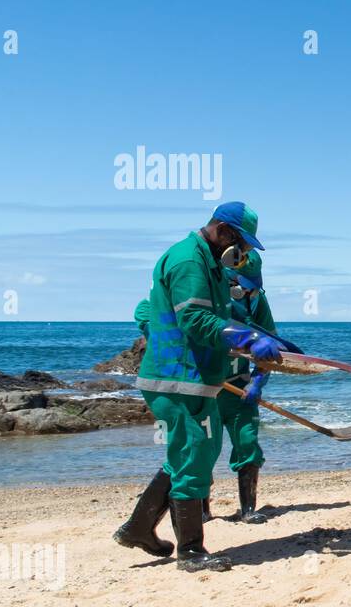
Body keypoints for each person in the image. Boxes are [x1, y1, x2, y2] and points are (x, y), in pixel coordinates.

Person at [113, 202, 286, 573]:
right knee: (195, 455)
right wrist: (244, 336)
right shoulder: (190, 262)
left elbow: (227, 320)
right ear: (223, 231)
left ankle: (139, 527)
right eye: (241, 243)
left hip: (193, 376)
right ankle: (190, 552)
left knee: (191, 454)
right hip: (179, 377)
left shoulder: (209, 264)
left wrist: (258, 351)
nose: (242, 254)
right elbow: (193, 318)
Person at [215, 251, 284, 523]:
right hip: (205, 383)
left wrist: (258, 381)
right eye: (242, 287)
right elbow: (147, 312)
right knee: (202, 450)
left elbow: (270, 344)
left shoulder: (257, 301)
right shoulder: (208, 293)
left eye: (252, 288)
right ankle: (202, 510)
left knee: (247, 442)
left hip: (239, 385)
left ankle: (248, 510)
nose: (247, 293)